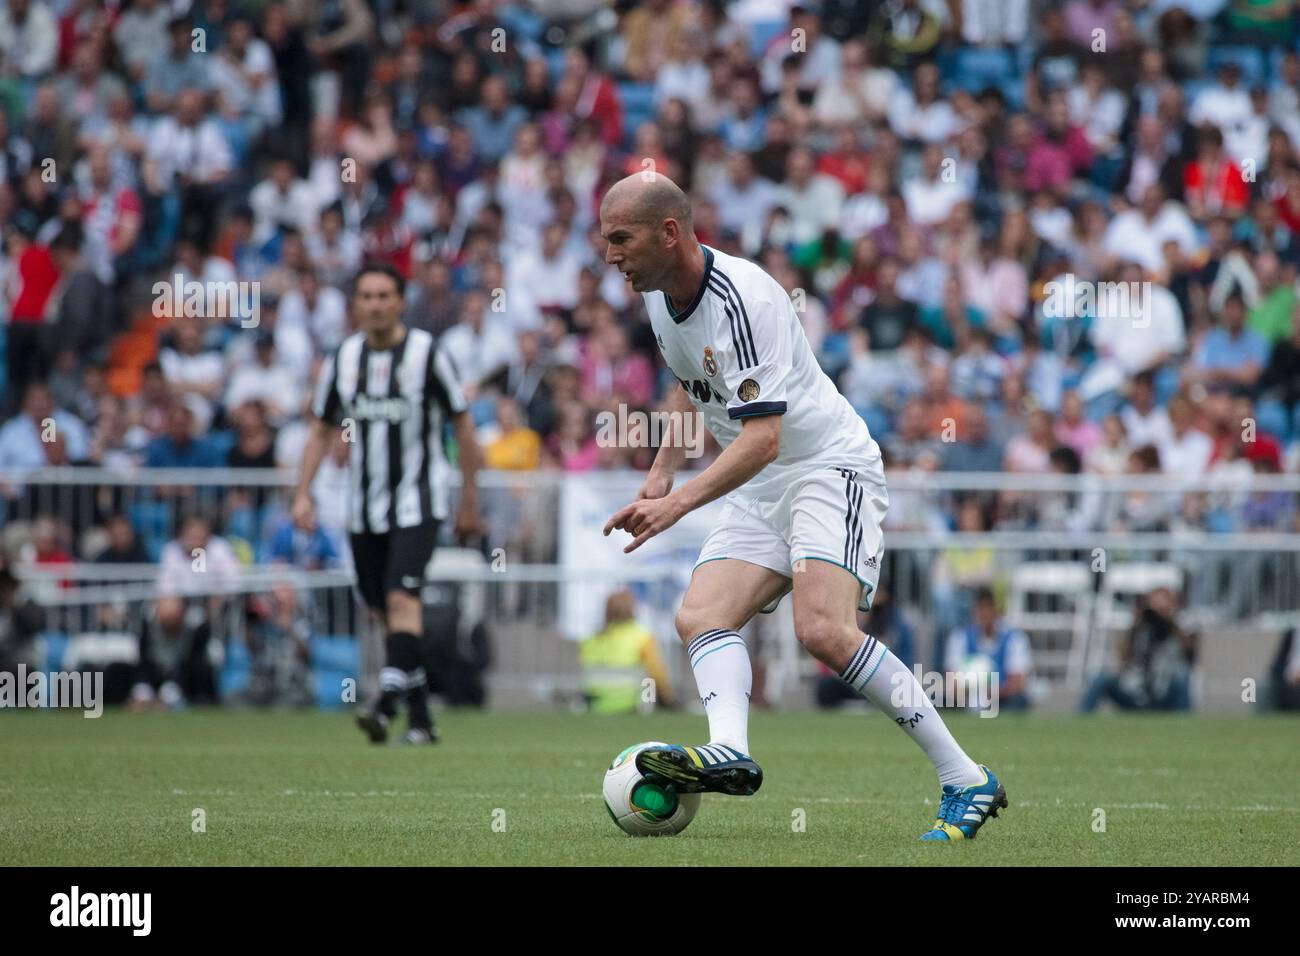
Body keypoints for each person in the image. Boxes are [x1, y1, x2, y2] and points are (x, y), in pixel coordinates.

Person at [598, 172, 1006, 842]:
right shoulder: (654, 293)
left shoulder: (745, 298)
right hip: (762, 483)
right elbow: (689, 385)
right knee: (699, 614)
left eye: (621, 238)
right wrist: (659, 476)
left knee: (822, 631)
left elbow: (764, 437)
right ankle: (729, 748)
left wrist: (679, 507)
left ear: (669, 233)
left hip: (825, 467)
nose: (610, 254)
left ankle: (966, 778)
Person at [292, 263, 484, 745]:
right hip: (363, 509)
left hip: (418, 502)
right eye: (366, 296)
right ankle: (421, 721)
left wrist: (469, 501)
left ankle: (384, 701)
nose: (375, 304)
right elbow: (320, 428)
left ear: (400, 302)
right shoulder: (343, 359)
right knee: (384, 613)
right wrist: (302, 492)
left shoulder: (427, 355)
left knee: (403, 598)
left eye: (384, 296)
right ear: (356, 305)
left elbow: (463, 428)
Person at [1079, 586, 1197, 713]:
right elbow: (1123, 659)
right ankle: (1080, 722)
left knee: (1182, 674)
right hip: (1136, 694)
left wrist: (1170, 624)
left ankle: (1185, 722)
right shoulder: (1139, 629)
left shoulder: (1177, 631)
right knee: (1100, 679)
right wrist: (1140, 623)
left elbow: (1190, 658)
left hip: (1164, 695)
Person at [578, 589, 673, 715]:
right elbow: (657, 673)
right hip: (632, 703)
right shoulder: (642, 637)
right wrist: (668, 700)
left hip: (598, 703)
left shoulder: (591, 640)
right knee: (649, 680)